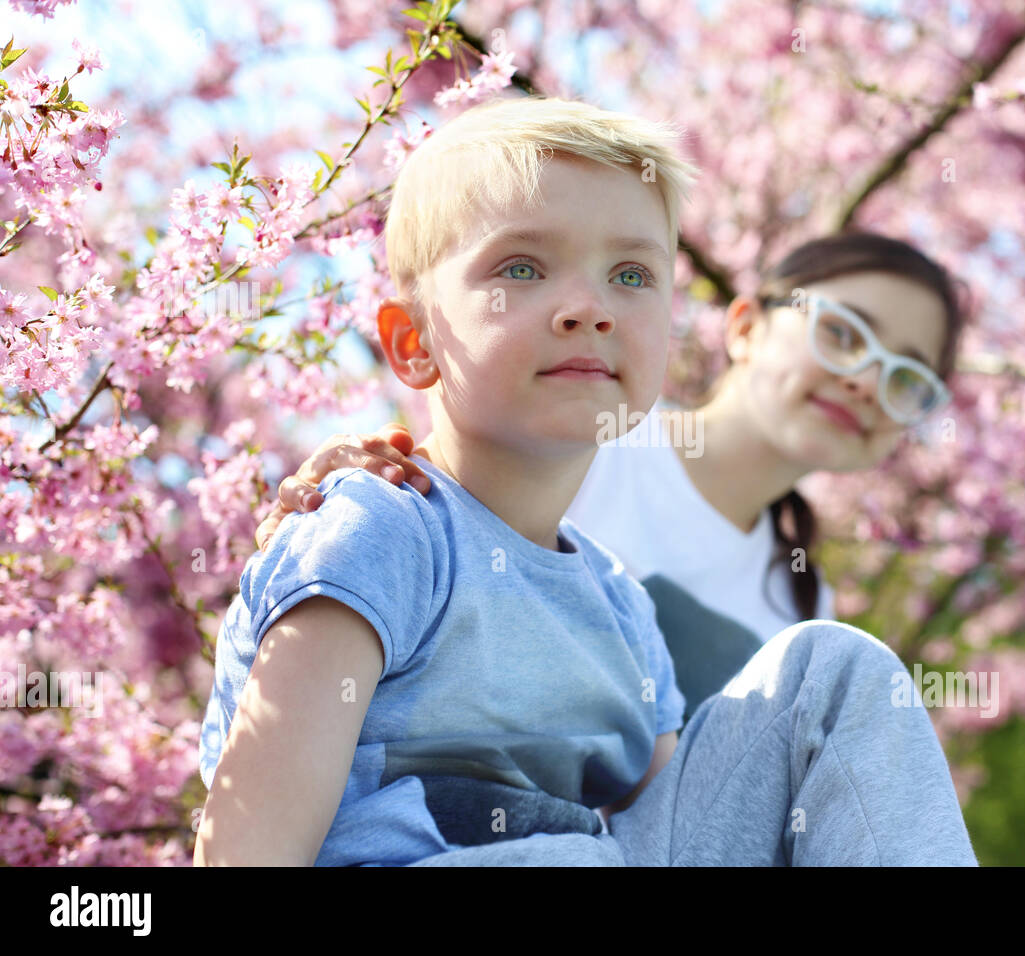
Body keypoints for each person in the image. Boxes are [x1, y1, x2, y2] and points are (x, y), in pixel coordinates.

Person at [198, 93, 977, 866]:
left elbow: (678, 839)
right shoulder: (383, 530)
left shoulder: (625, 612)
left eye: (632, 275)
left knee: (835, 669)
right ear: (414, 343)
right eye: (523, 267)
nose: (590, 307)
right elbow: (246, 850)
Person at [260, 231, 966, 725]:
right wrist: (350, 489)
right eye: (843, 333)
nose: (868, 381)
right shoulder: (589, 430)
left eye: (906, 377)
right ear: (746, 325)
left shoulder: (806, 609)